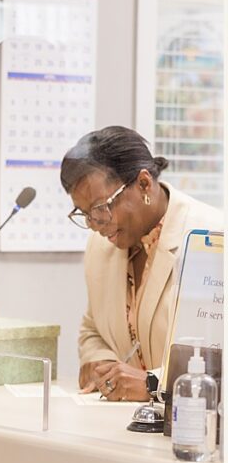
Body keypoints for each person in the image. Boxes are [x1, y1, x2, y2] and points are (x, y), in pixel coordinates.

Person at [61, 126, 223, 402]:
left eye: (101, 207)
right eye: (85, 214)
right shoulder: (101, 246)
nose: (95, 225)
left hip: (194, 428)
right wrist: (98, 362)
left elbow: (219, 358)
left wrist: (153, 383)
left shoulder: (212, 238)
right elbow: (92, 328)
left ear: (144, 184)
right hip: (121, 428)